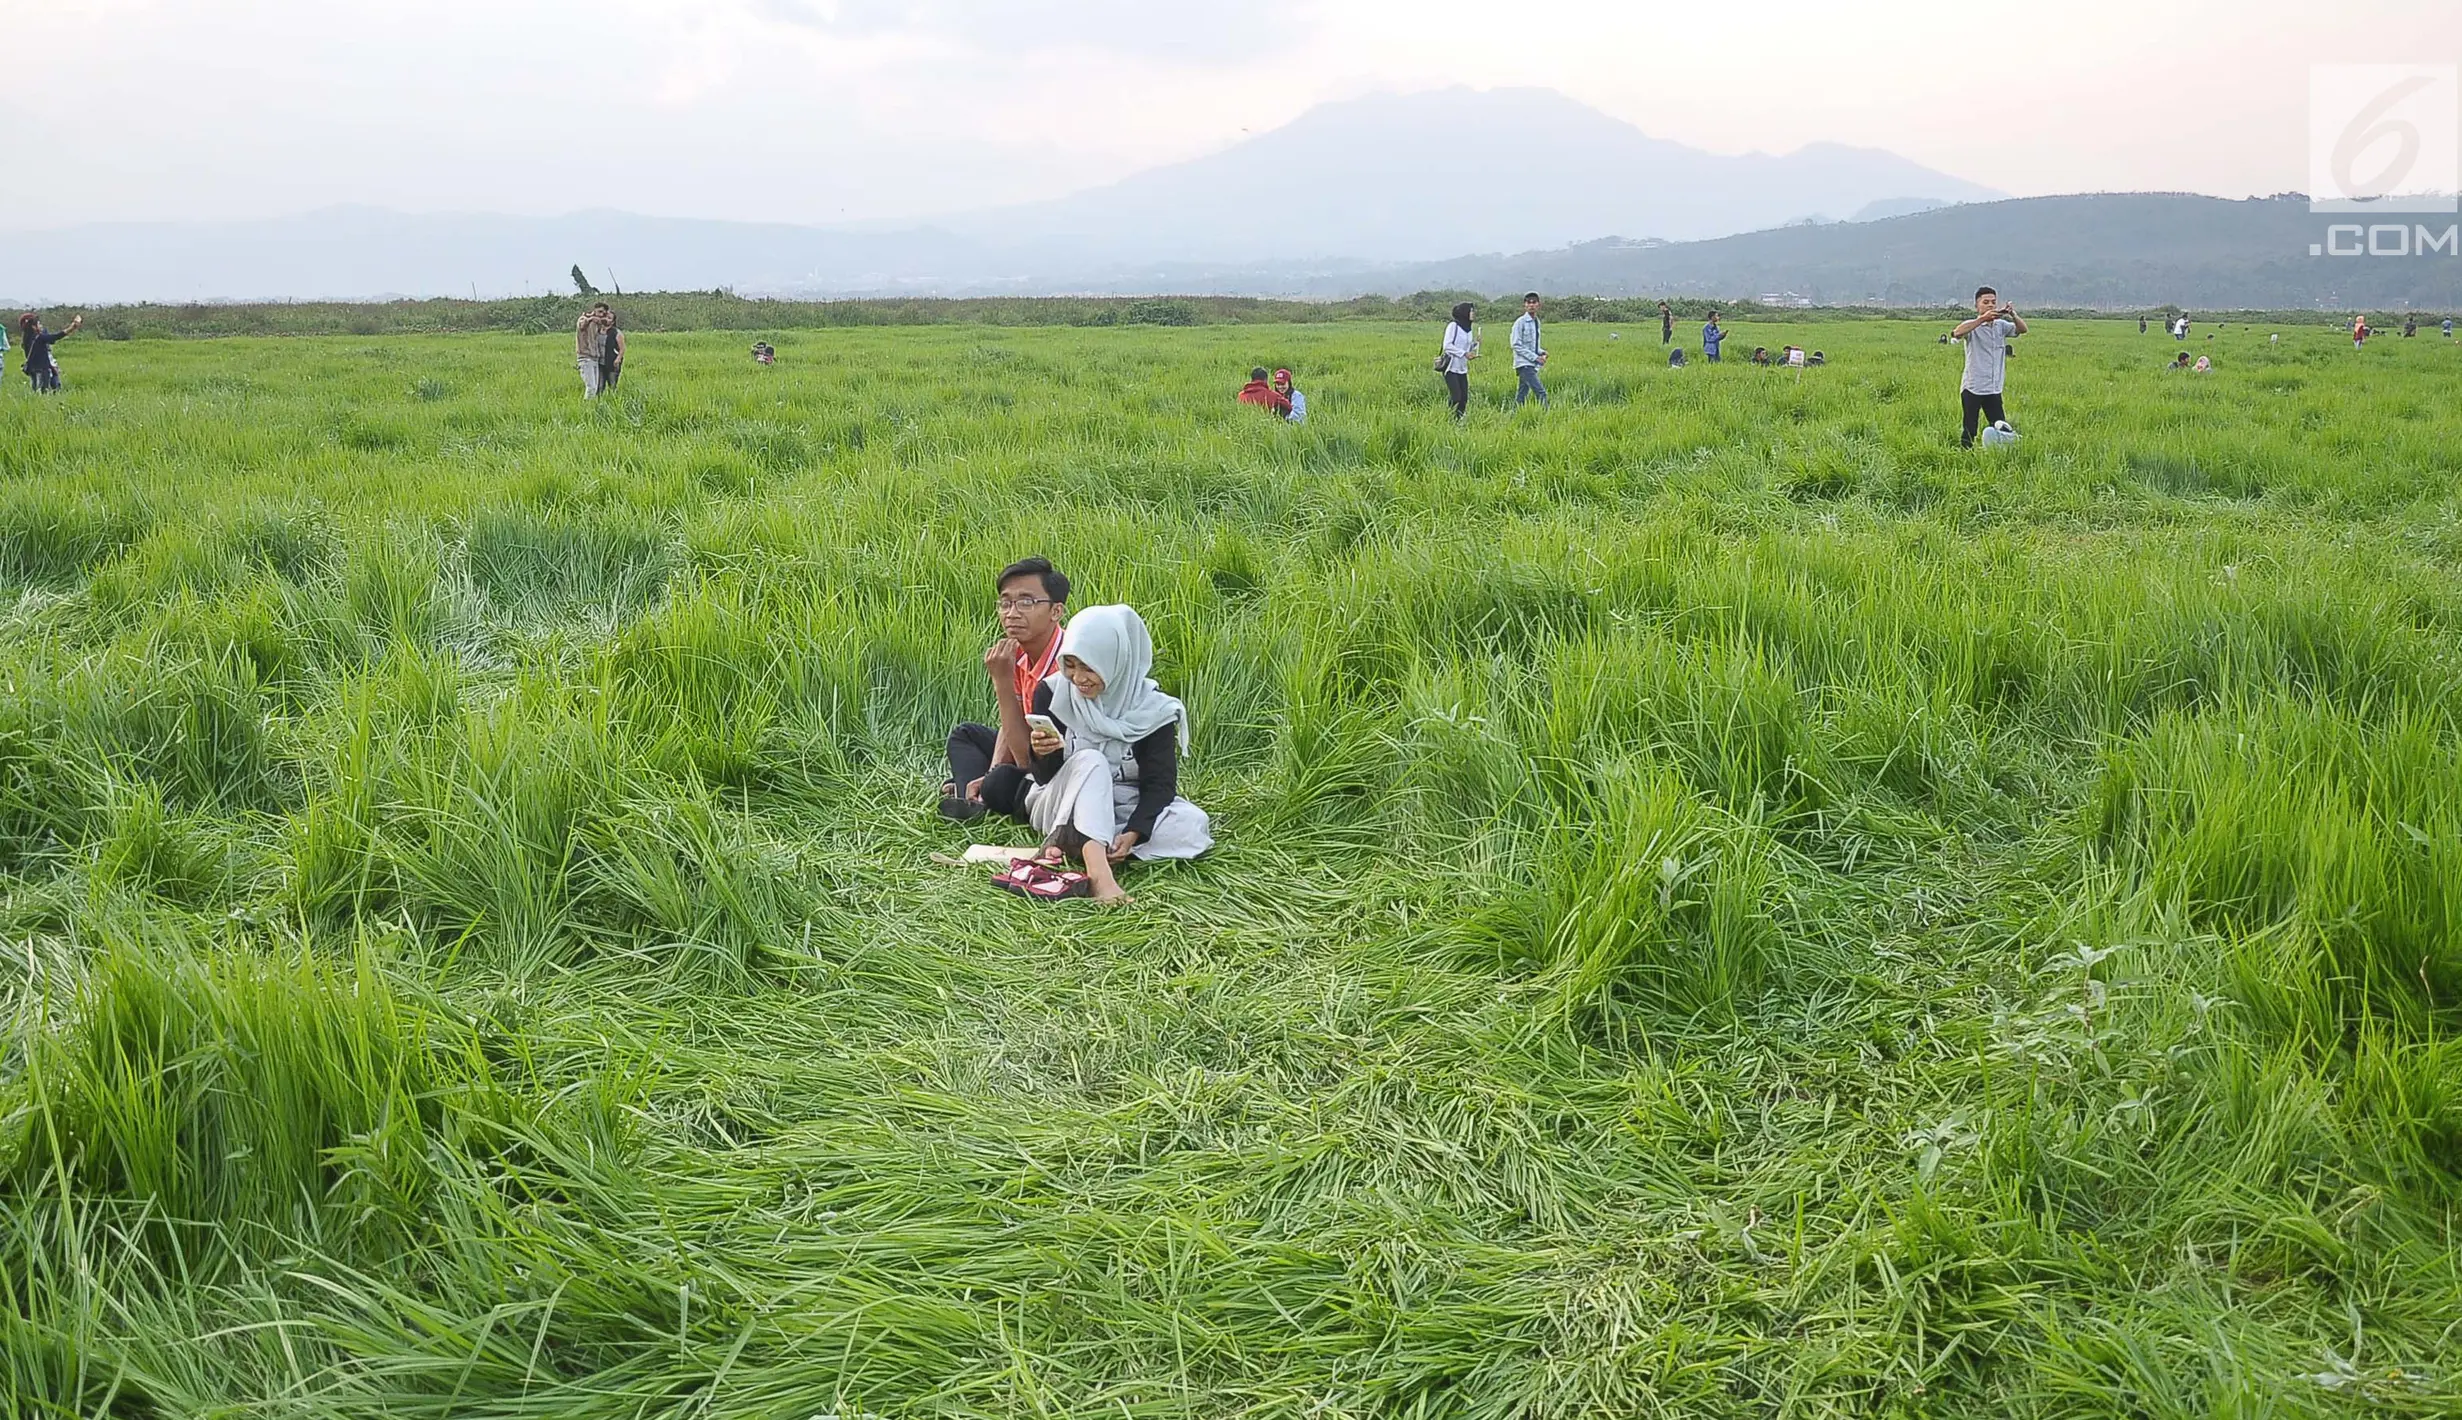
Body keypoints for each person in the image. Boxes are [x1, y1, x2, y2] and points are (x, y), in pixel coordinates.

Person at [1020, 604, 1213, 904]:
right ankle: (1100, 876)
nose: (1078, 678)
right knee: (1092, 761)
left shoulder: (1153, 709)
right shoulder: (1054, 693)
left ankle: (1083, 842)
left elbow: (1160, 784)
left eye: (1089, 668)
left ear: (1116, 661)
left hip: (1120, 804)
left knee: (1192, 824)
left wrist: (1134, 832)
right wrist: (1041, 752)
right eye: (1070, 665)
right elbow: (1045, 777)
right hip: (1062, 802)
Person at [942, 557, 1072, 824]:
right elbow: (1011, 719)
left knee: (1001, 780)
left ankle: (977, 791)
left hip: (1057, 764)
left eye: (1026, 602)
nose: (1012, 613)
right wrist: (992, 769)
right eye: (1005, 603)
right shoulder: (1020, 651)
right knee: (965, 735)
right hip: (1030, 747)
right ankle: (972, 798)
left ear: (1056, 611)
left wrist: (1001, 682)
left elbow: (1027, 761)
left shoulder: (1067, 665)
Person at [1952, 285, 2026, 448]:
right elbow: (1956, 333)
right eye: (1985, 302)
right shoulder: (1972, 325)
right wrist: (1982, 319)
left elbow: (2022, 329)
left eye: (1993, 302)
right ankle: (1966, 453)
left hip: (1994, 387)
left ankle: (1999, 453)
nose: (1990, 305)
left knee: (2000, 425)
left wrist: (2012, 314)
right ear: (1977, 306)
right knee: (1970, 427)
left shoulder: (2001, 326)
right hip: (1973, 387)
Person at [17, 313, 81, 394]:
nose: (41, 326)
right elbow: (56, 336)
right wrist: (71, 328)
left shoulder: (26, 339)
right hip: (42, 370)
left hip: (32, 370)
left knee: (35, 390)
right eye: (39, 324)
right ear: (33, 327)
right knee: (43, 392)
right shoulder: (39, 338)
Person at [1439, 302, 1479, 419]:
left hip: (1462, 368)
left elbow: (1467, 347)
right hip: (1451, 367)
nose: (1473, 313)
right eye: (1471, 311)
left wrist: (1476, 344)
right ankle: (1448, 417)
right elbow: (1447, 345)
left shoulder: (1468, 329)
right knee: (1456, 396)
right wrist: (1464, 354)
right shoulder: (1453, 326)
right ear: (1464, 312)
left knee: (1464, 397)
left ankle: (1459, 420)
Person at [1510, 292, 1548, 409]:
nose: (1531, 305)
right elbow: (1516, 345)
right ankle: (1547, 414)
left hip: (1531, 364)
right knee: (1541, 392)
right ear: (1525, 305)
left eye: (1534, 302)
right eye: (1528, 302)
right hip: (1524, 364)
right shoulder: (1520, 322)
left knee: (1522, 393)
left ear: (1538, 305)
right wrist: (1536, 358)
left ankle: (1515, 414)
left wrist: (1541, 352)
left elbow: (1532, 346)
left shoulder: (1536, 322)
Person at [576, 303, 612, 398]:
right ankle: (586, 405)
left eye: (603, 313)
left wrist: (602, 318)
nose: (601, 314)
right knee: (591, 387)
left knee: (595, 388)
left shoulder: (598, 323)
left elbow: (608, 321)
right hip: (585, 356)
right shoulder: (583, 318)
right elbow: (581, 325)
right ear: (594, 310)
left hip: (595, 357)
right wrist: (590, 318)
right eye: (599, 311)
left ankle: (591, 405)